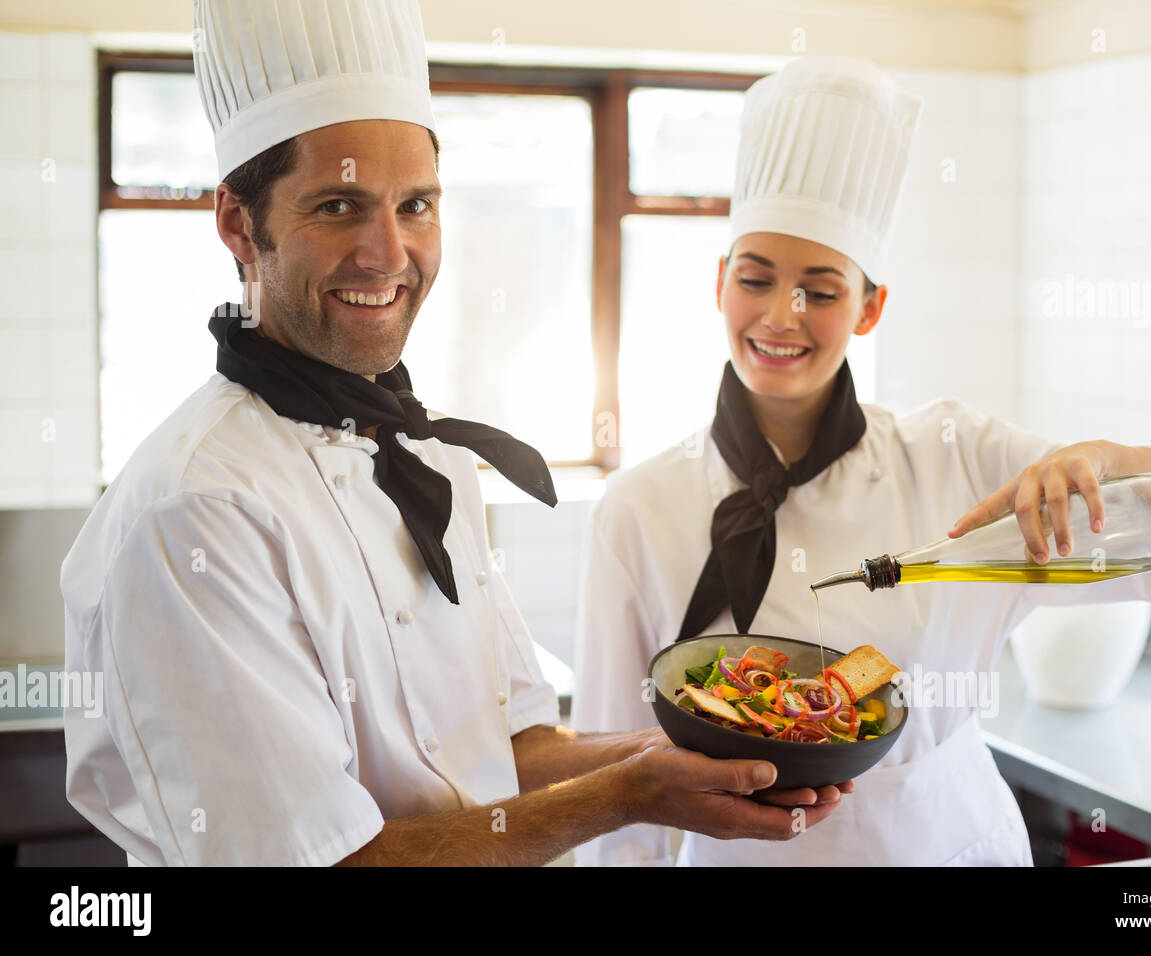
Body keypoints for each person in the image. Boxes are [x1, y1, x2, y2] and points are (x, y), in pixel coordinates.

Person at [59, 0, 850, 867]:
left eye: (418, 205)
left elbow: (511, 753)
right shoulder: (194, 512)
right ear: (239, 225)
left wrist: (660, 756)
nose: (387, 253)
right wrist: (629, 794)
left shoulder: (430, 461)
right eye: (337, 205)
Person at [571, 55, 1151, 866]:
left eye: (822, 290)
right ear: (719, 283)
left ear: (871, 306)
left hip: (946, 846)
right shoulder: (638, 507)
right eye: (755, 279)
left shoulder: (960, 460)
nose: (779, 316)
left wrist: (1116, 459)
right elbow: (617, 781)